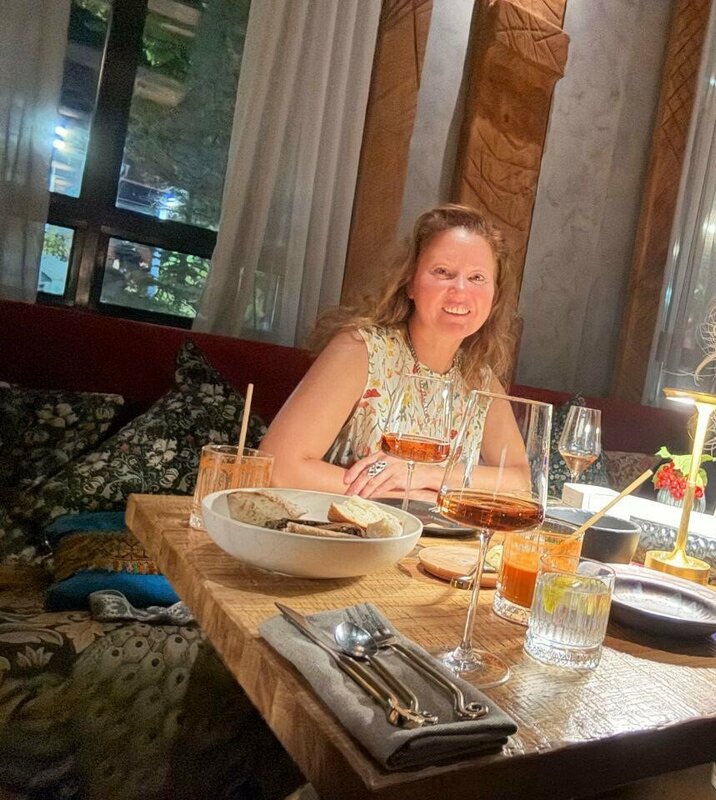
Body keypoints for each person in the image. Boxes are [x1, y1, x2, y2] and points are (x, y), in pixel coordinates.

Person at [261, 203, 524, 500]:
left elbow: (521, 480)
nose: (460, 290)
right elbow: (278, 466)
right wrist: (413, 496)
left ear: (495, 295)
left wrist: (428, 475)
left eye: (477, 278)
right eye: (442, 272)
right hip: (338, 528)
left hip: (433, 533)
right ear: (410, 282)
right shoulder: (360, 350)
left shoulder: (479, 378)